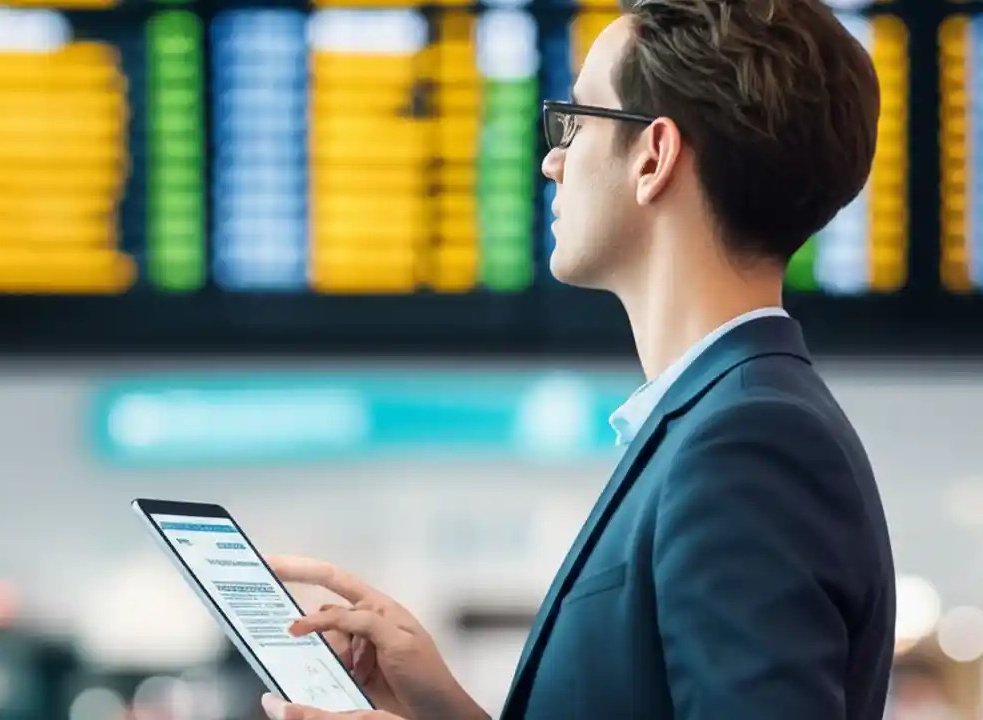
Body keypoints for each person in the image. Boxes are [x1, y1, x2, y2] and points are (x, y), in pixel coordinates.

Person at [261, 0, 895, 718]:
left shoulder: (748, 442)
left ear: (653, 156)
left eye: (578, 119)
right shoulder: (724, 422)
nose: (552, 159)